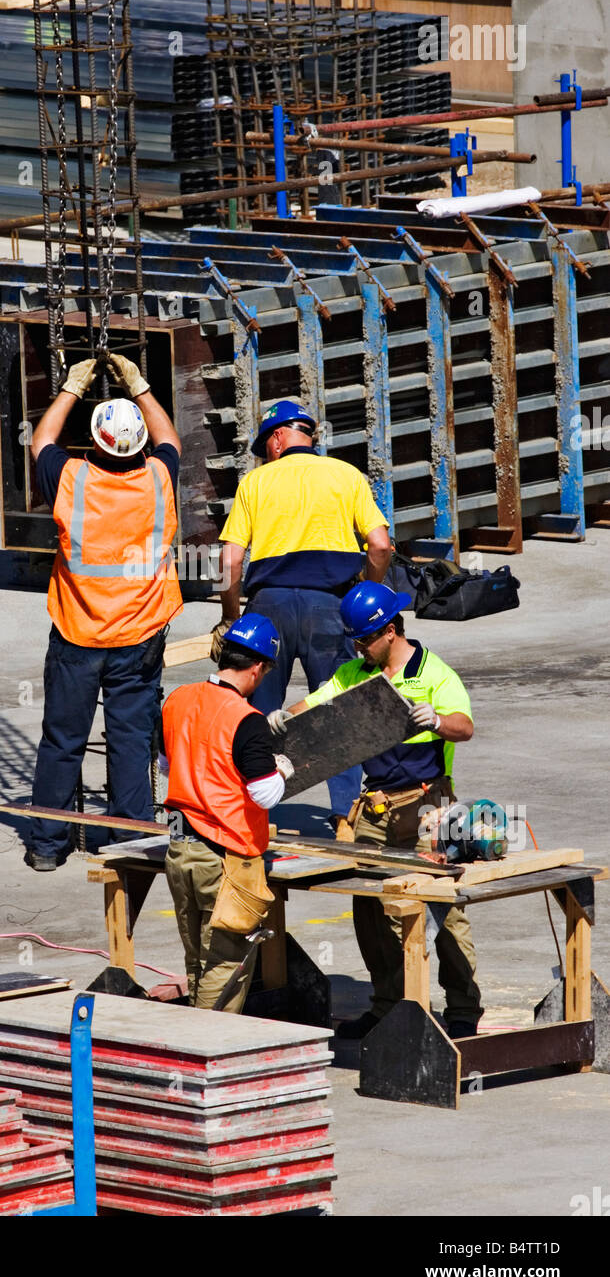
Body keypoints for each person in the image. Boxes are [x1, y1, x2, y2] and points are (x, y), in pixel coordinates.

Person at [279, 582, 482, 1039]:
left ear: (390, 631)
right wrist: (279, 719)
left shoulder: (435, 673)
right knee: (370, 908)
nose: (359, 648)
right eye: (354, 641)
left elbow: (465, 727)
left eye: (364, 640)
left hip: (428, 803)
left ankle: (464, 1007)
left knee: (442, 907)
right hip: (376, 807)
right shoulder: (356, 674)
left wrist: (437, 719)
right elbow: (313, 705)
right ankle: (390, 1004)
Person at [26, 354, 183, 872]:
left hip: (77, 635)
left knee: (63, 739)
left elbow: (41, 441)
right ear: (139, 446)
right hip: (138, 637)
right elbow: (171, 443)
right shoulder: (159, 480)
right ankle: (130, 843)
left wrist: (72, 387)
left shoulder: (71, 479)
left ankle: (48, 844)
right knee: (131, 741)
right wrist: (140, 384)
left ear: (94, 442)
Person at [213, 399, 392, 837]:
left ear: (277, 438)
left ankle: (255, 813)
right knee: (337, 708)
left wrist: (230, 617)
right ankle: (345, 817)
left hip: (268, 608)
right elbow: (381, 545)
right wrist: (365, 594)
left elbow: (230, 560)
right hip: (330, 606)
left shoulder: (255, 482)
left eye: (265, 444)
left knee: (256, 711)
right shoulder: (347, 476)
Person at [160, 613, 294, 1013]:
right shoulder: (246, 720)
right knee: (225, 962)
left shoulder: (178, 698)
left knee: (196, 958)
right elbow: (264, 793)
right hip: (224, 858)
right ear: (257, 667)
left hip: (180, 850)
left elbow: (168, 763)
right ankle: (208, 1049)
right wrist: (283, 769)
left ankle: (193, 1049)